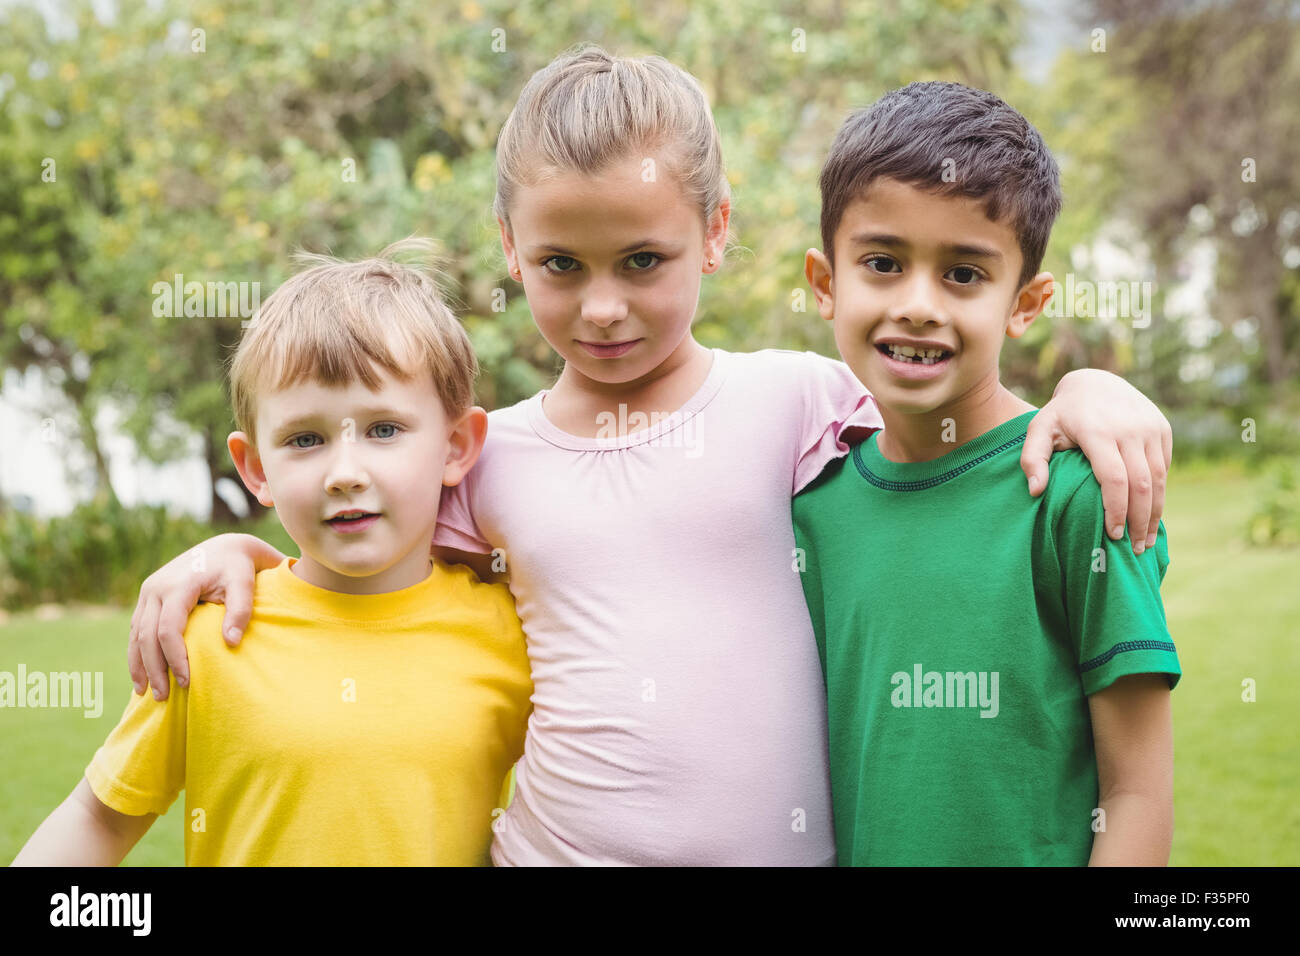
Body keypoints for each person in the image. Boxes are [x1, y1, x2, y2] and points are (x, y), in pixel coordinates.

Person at [123, 47, 1173, 866]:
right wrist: (233, 552)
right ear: (508, 248)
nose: (604, 304)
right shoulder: (485, 461)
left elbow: (954, 411)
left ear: (714, 231)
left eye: (643, 260)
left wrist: (1090, 388)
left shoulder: (801, 402)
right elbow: (356, 548)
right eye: (560, 265)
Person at [12, 240, 532, 866]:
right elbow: (97, 819)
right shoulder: (205, 638)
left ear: (455, 446)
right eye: (305, 439)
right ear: (255, 468)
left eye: (384, 430)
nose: (345, 472)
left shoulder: (516, 633)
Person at [794, 81, 1180, 866]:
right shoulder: (811, 507)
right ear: (826, 283)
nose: (918, 305)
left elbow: (1137, 792)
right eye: (882, 262)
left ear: (1025, 303)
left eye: (964, 274)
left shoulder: (1078, 493)